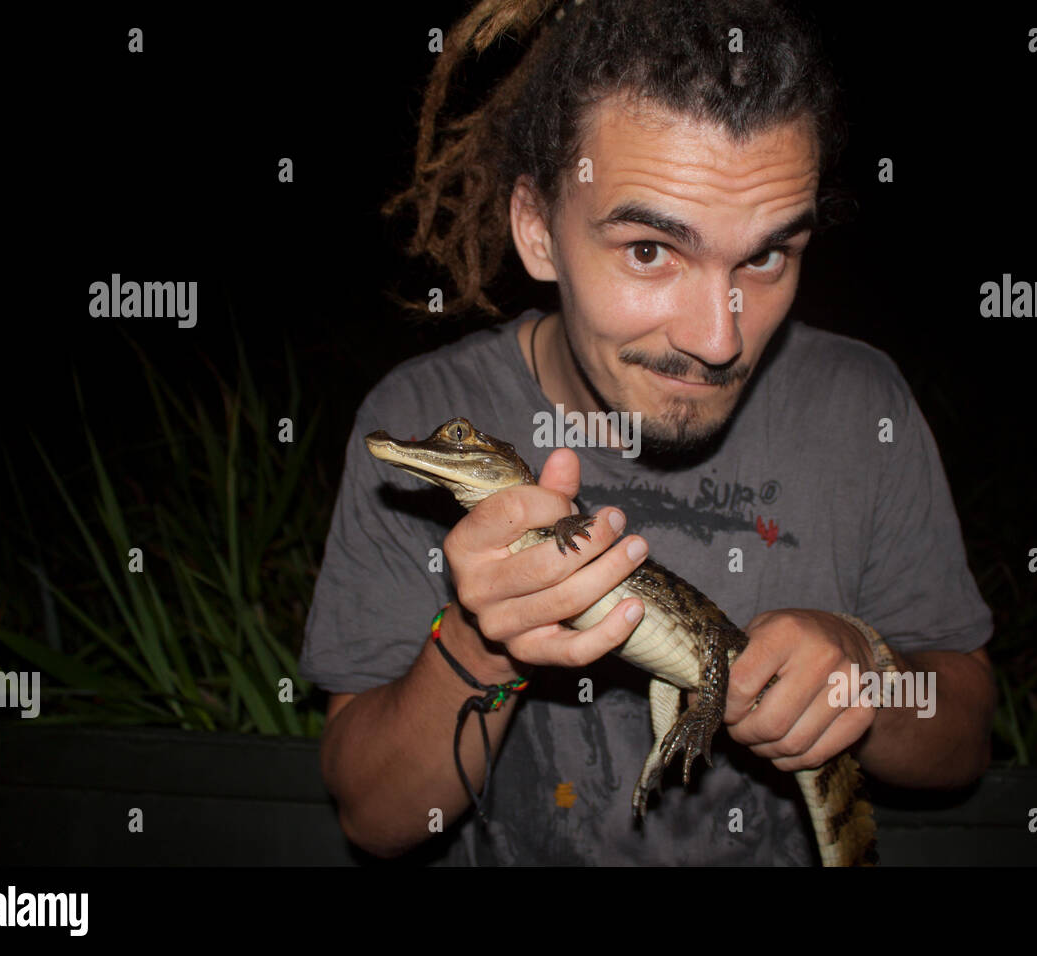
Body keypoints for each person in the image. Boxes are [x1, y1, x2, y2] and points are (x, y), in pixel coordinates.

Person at [300, 0, 995, 865]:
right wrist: (485, 638)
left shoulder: (863, 406)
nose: (719, 337)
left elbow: (963, 736)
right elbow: (374, 814)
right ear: (537, 231)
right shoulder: (418, 415)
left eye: (767, 255)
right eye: (648, 250)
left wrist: (867, 676)